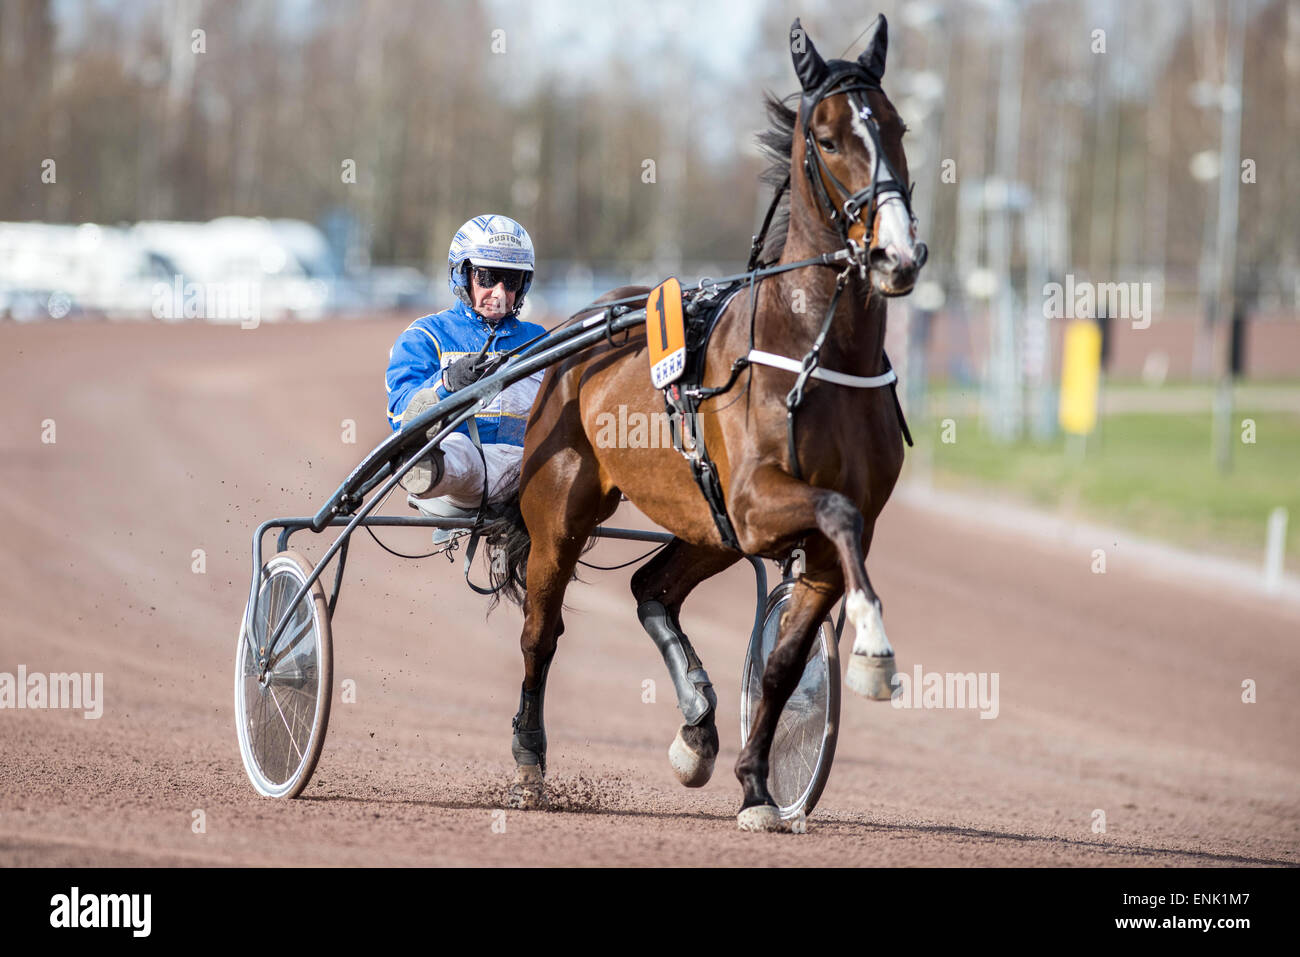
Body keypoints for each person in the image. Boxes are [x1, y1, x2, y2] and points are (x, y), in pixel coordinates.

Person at [385, 215, 546, 527]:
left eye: (511, 281)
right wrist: (448, 383)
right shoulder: (425, 336)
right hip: (468, 465)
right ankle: (427, 467)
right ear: (463, 274)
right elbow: (399, 415)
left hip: (532, 465)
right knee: (459, 453)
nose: (500, 293)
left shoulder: (539, 339)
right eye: (488, 278)